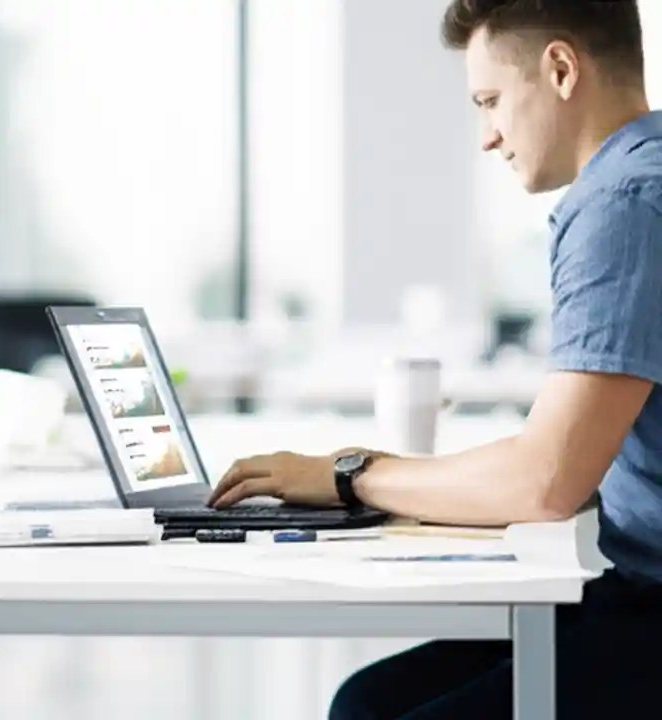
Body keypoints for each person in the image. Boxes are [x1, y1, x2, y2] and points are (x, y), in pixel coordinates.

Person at [205, 1, 662, 717]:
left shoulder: (626, 202)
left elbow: (545, 483)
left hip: (650, 609)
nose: (487, 136)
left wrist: (348, 474)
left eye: (490, 101)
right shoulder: (643, 175)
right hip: (631, 588)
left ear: (561, 68)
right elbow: (560, 465)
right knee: (367, 701)